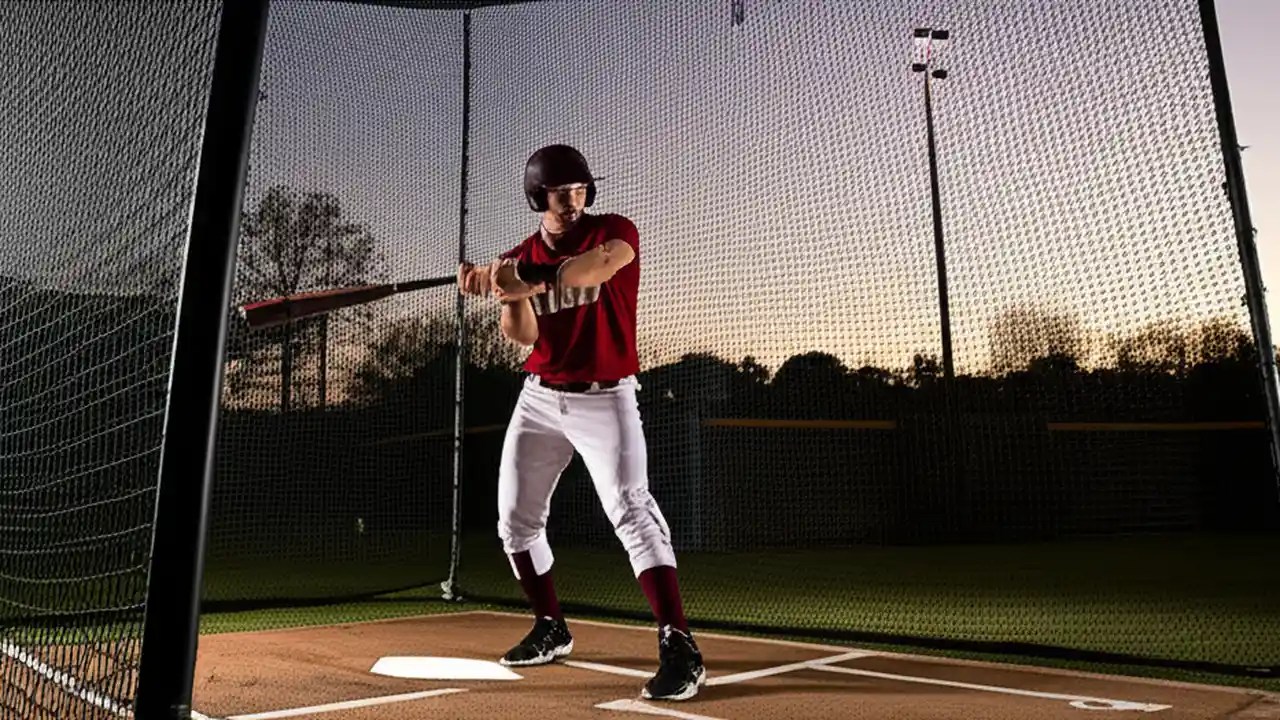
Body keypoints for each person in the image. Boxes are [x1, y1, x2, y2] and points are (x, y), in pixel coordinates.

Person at [456, 144, 705, 702]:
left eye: (578, 190)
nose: (571, 201)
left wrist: (523, 276)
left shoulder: (613, 230)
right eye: (558, 193)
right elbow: (521, 335)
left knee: (631, 510)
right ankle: (551, 627)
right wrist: (502, 290)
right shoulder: (518, 256)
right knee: (514, 522)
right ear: (537, 197)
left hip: (606, 396)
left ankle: (679, 645)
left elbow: (598, 265)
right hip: (541, 398)